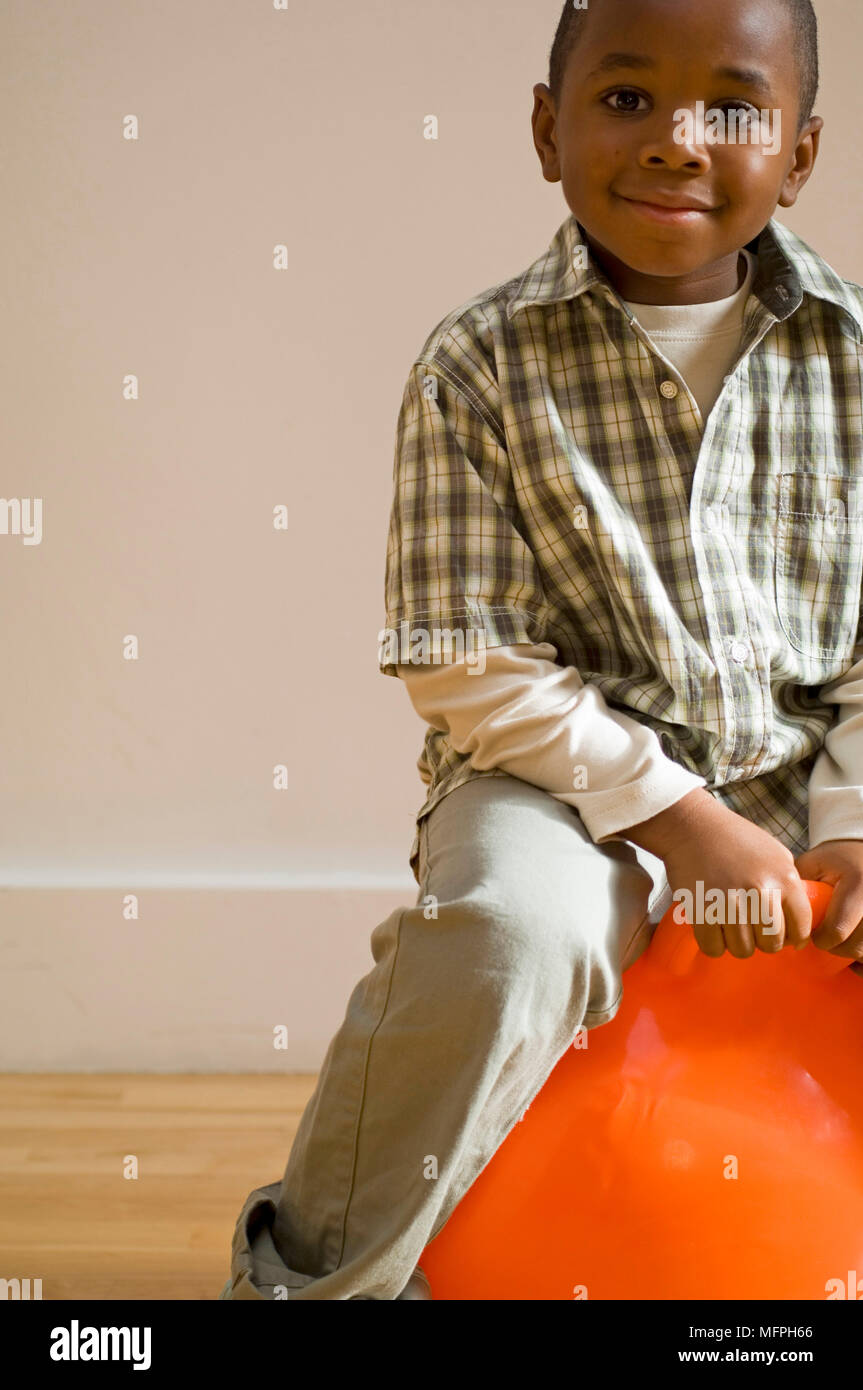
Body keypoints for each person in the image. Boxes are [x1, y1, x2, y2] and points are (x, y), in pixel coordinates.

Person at [221, 0, 863, 1300]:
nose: (679, 142)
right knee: (518, 932)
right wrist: (680, 820)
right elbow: (466, 655)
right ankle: (310, 1279)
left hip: (811, 772)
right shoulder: (478, 365)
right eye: (627, 100)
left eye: (731, 108)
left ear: (798, 151)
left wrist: (850, 821)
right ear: (545, 128)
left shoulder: (855, 360)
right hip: (556, 793)